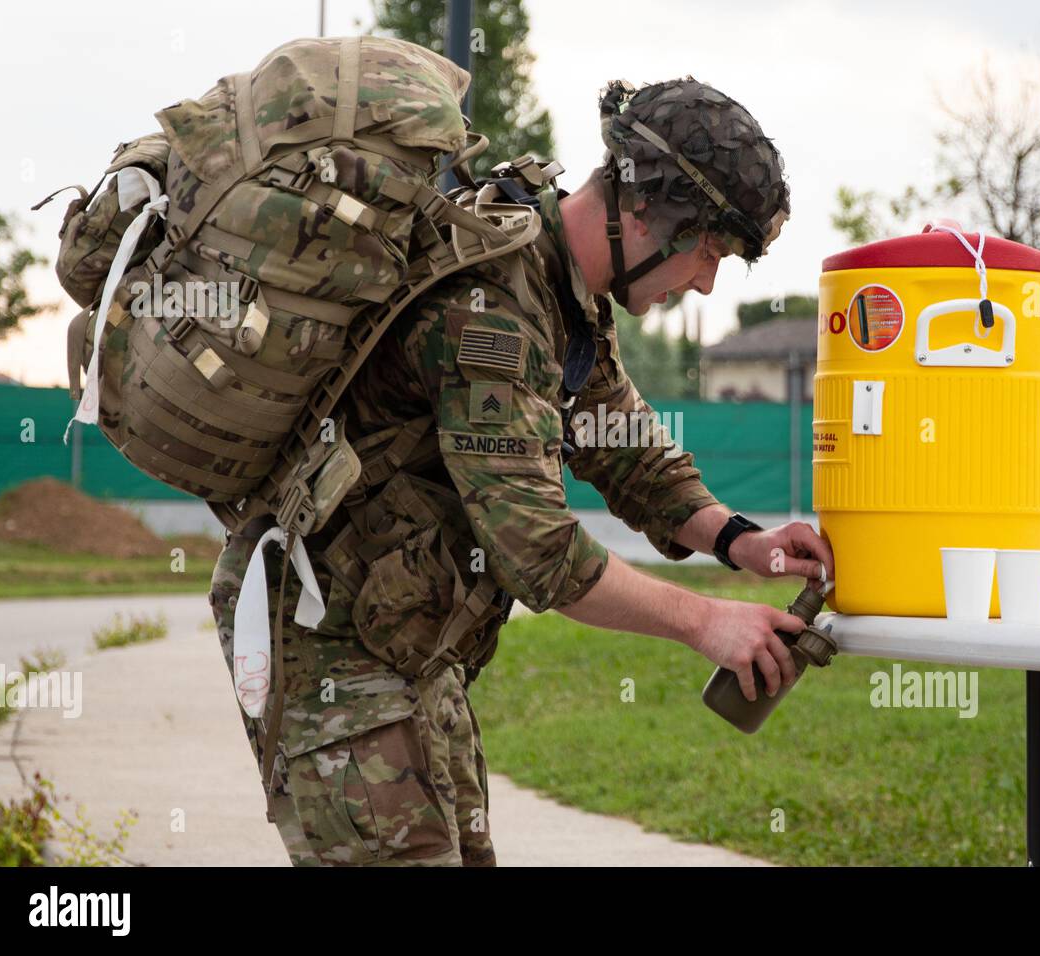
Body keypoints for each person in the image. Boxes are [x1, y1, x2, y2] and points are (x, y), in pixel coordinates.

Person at [208, 76, 834, 866]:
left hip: (410, 652)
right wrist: (707, 622)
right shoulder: (490, 314)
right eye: (707, 252)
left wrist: (741, 540)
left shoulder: (560, 292)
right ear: (647, 214)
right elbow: (537, 550)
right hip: (332, 653)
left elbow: (627, 449)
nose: (706, 282)